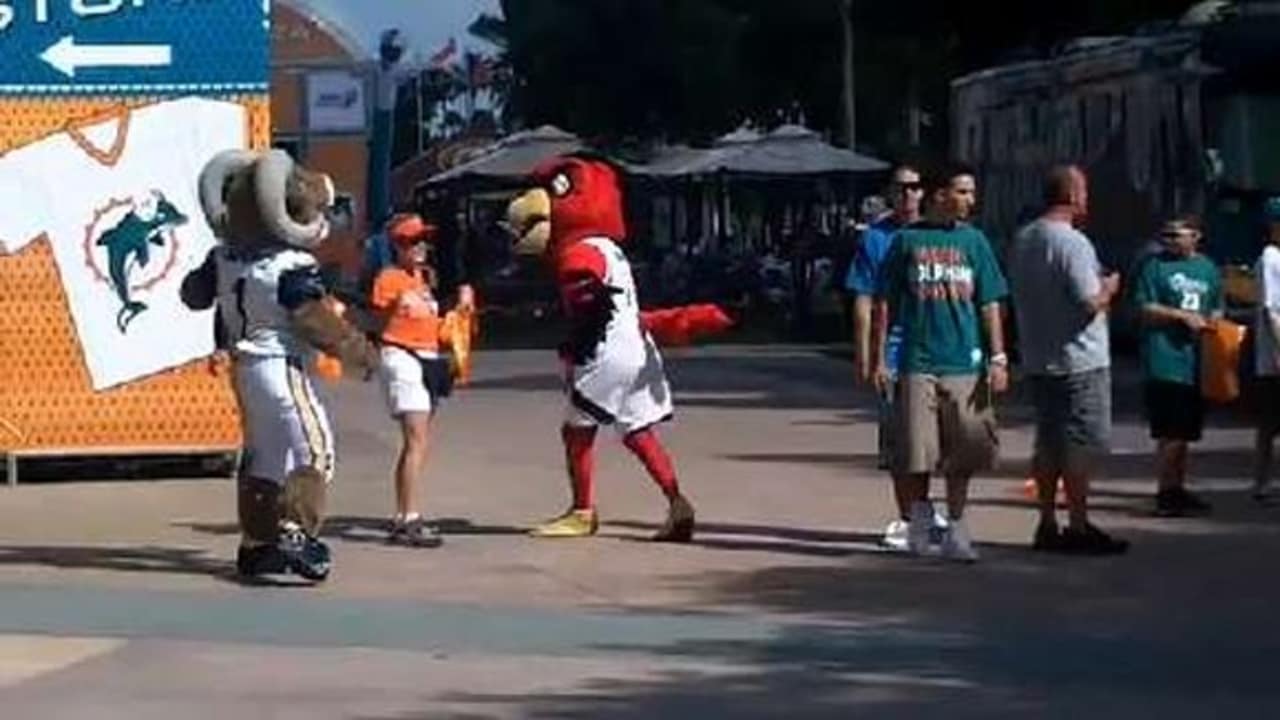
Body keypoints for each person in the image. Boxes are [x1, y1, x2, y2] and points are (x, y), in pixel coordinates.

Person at [873, 163, 1010, 562]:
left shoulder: (975, 243)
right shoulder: (907, 241)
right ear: (939, 195)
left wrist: (998, 356)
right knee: (917, 450)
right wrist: (882, 357)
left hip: (964, 362)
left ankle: (958, 526)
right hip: (918, 361)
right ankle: (918, 523)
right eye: (963, 192)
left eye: (971, 192)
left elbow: (989, 302)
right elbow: (886, 303)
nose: (970, 200)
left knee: (964, 448)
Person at [1009, 166, 1128, 554]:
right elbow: (1087, 301)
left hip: (1039, 356)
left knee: (1048, 442)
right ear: (1074, 196)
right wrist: (1109, 288)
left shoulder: (1024, 239)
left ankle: (1046, 521)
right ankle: (1078, 525)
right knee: (1081, 444)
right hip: (1080, 360)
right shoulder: (1072, 243)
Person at [847, 164, 946, 550]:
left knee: (929, 443)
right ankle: (910, 517)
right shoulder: (876, 239)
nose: (908, 195)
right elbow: (864, 300)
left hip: (935, 351)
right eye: (901, 188)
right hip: (894, 351)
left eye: (915, 187)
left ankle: (921, 510)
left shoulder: (938, 236)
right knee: (899, 442)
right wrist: (866, 356)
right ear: (890, 192)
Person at [369, 213, 471, 546]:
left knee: (420, 441)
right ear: (398, 245)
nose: (421, 246)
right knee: (415, 439)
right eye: (413, 241)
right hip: (401, 357)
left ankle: (404, 514)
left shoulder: (424, 281)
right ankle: (408, 518)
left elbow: (436, 328)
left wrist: (460, 313)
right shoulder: (390, 278)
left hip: (428, 358)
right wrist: (394, 304)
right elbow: (376, 314)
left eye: (423, 239)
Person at [1131, 215, 1223, 517]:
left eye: (1176, 235)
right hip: (1165, 359)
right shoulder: (1154, 267)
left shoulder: (1207, 268)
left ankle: (1178, 489)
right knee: (1170, 431)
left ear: (1195, 237)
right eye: (1166, 235)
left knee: (1186, 431)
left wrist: (1214, 323)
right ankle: (1165, 491)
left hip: (1196, 361)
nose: (1169, 240)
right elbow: (1144, 307)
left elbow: (1217, 306)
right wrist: (1179, 316)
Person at [1251, 197, 1280, 505]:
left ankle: (1262, 481)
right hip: (1274, 358)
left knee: (1270, 424)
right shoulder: (1271, 258)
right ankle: (1261, 482)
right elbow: (1271, 311)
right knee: (1269, 424)